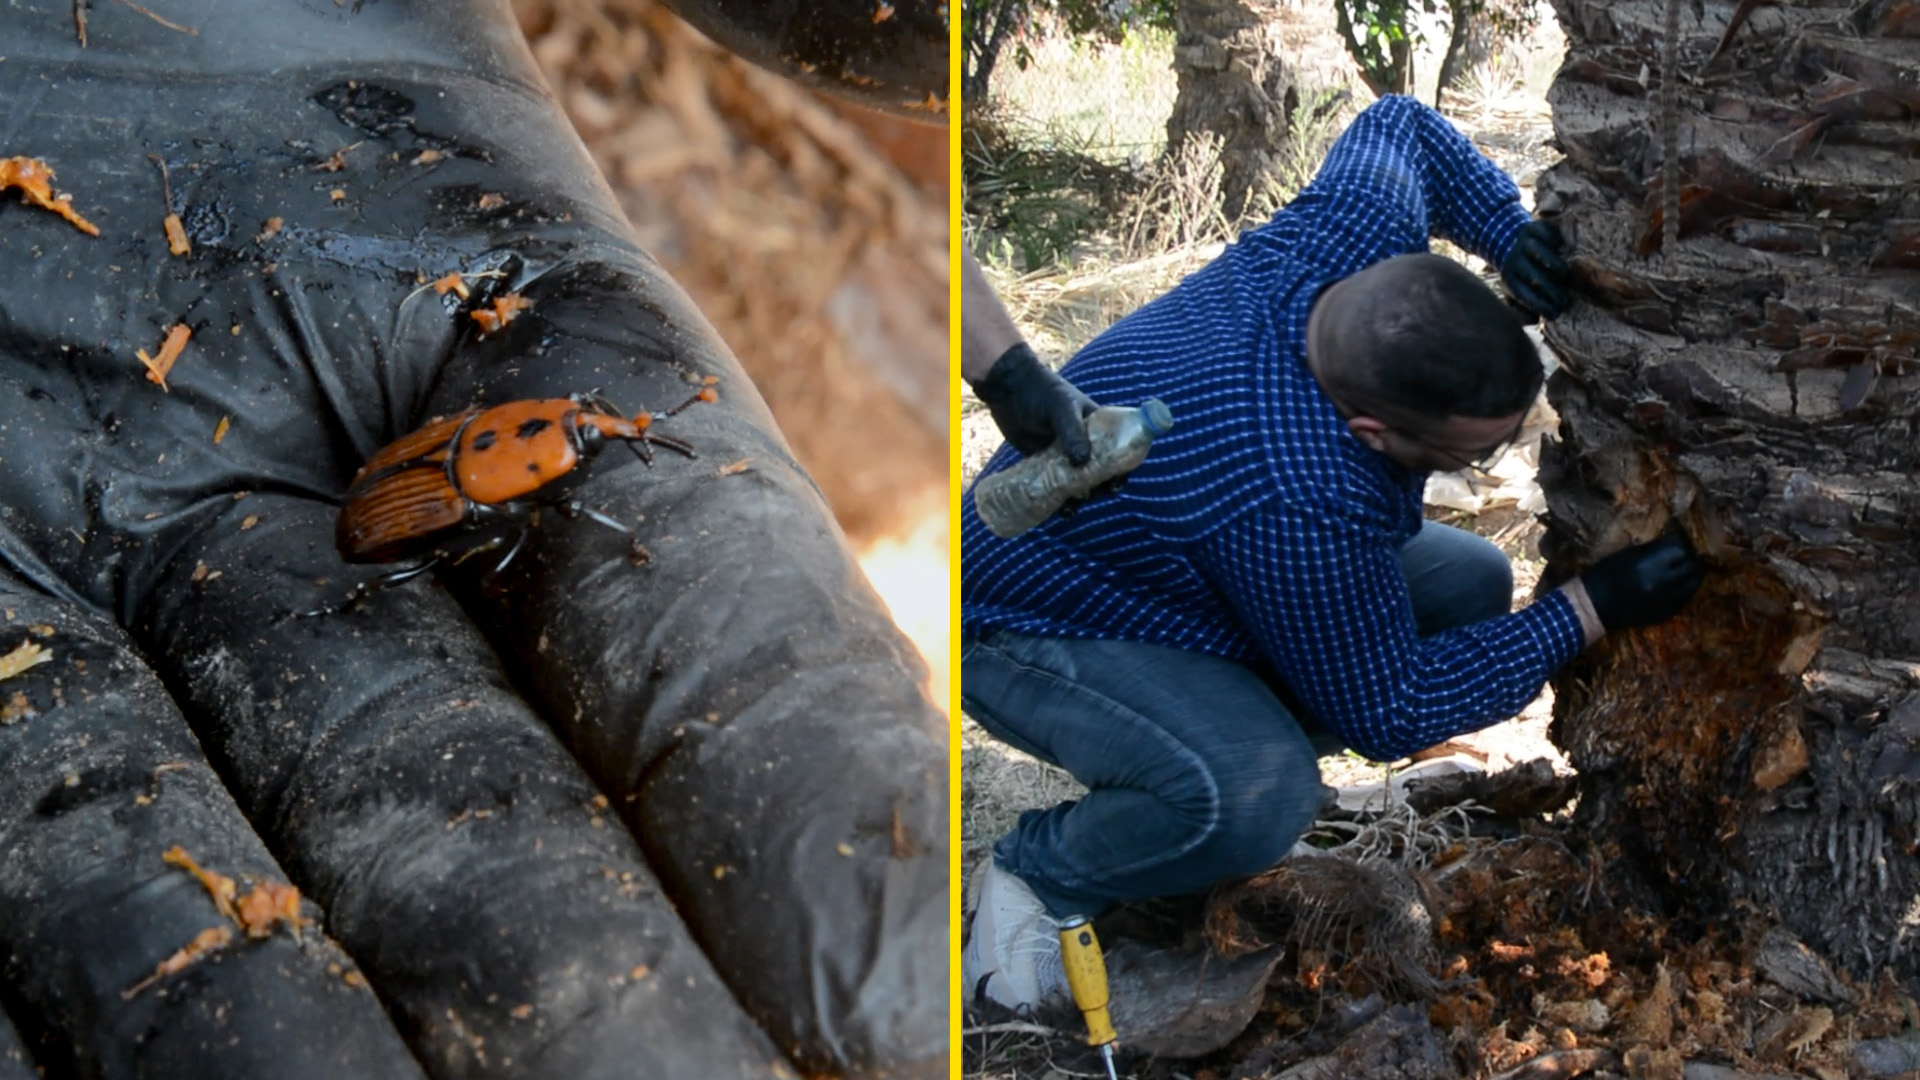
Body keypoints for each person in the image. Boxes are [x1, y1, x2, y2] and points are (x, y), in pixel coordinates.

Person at [0, 3, 945, 1078]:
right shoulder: (505, 471)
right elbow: (520, 484)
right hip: (396, 507)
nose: (600, 436)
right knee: (498, 540)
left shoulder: (517, 449)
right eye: (586, 432)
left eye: (587, 432)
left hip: (427, 479)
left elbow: (535, 458)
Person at [959, 94, 1705, 1012]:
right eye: (1472, 454)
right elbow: (1395, 710)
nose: (1497, 462)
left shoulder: (1349, 238)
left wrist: (1506, 234)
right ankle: (1047, 874)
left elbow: (1400, 126)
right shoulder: (1296, 489)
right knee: (1257, 796)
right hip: (1026, 618)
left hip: (1165, 565)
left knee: (1469, 578)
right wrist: (1589, 610)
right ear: (1368, 431)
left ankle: (1190, 788)